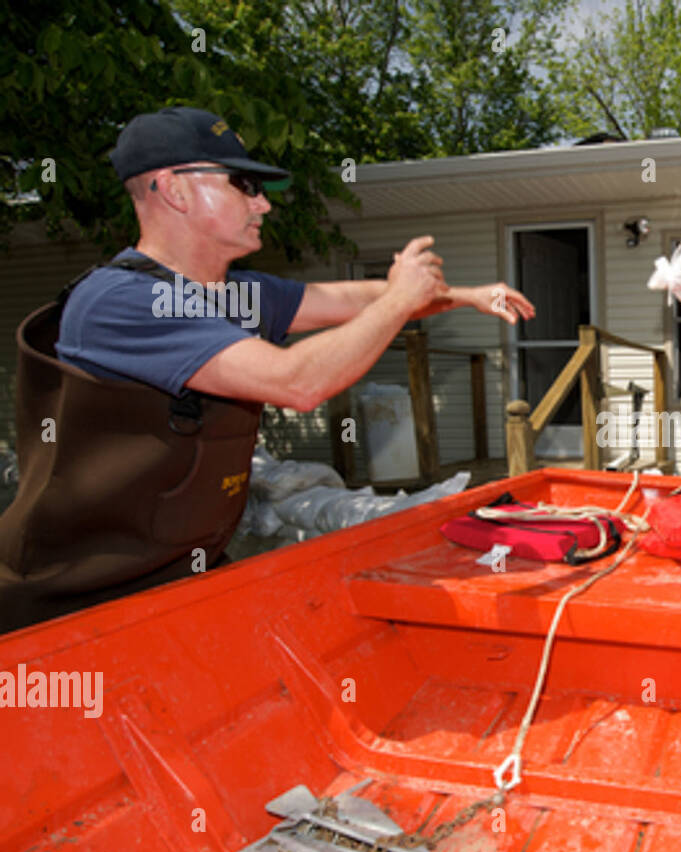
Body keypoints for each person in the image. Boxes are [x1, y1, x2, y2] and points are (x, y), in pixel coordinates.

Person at [0, 106, 535, 632]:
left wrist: (466, 295)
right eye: (243, 184)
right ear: (175, 189)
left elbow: (351, 297)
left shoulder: (229, 296)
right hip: (69, 609)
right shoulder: (121, 302)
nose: (263, 205)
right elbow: (296, 383)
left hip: (175, 583)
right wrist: (398, 303)